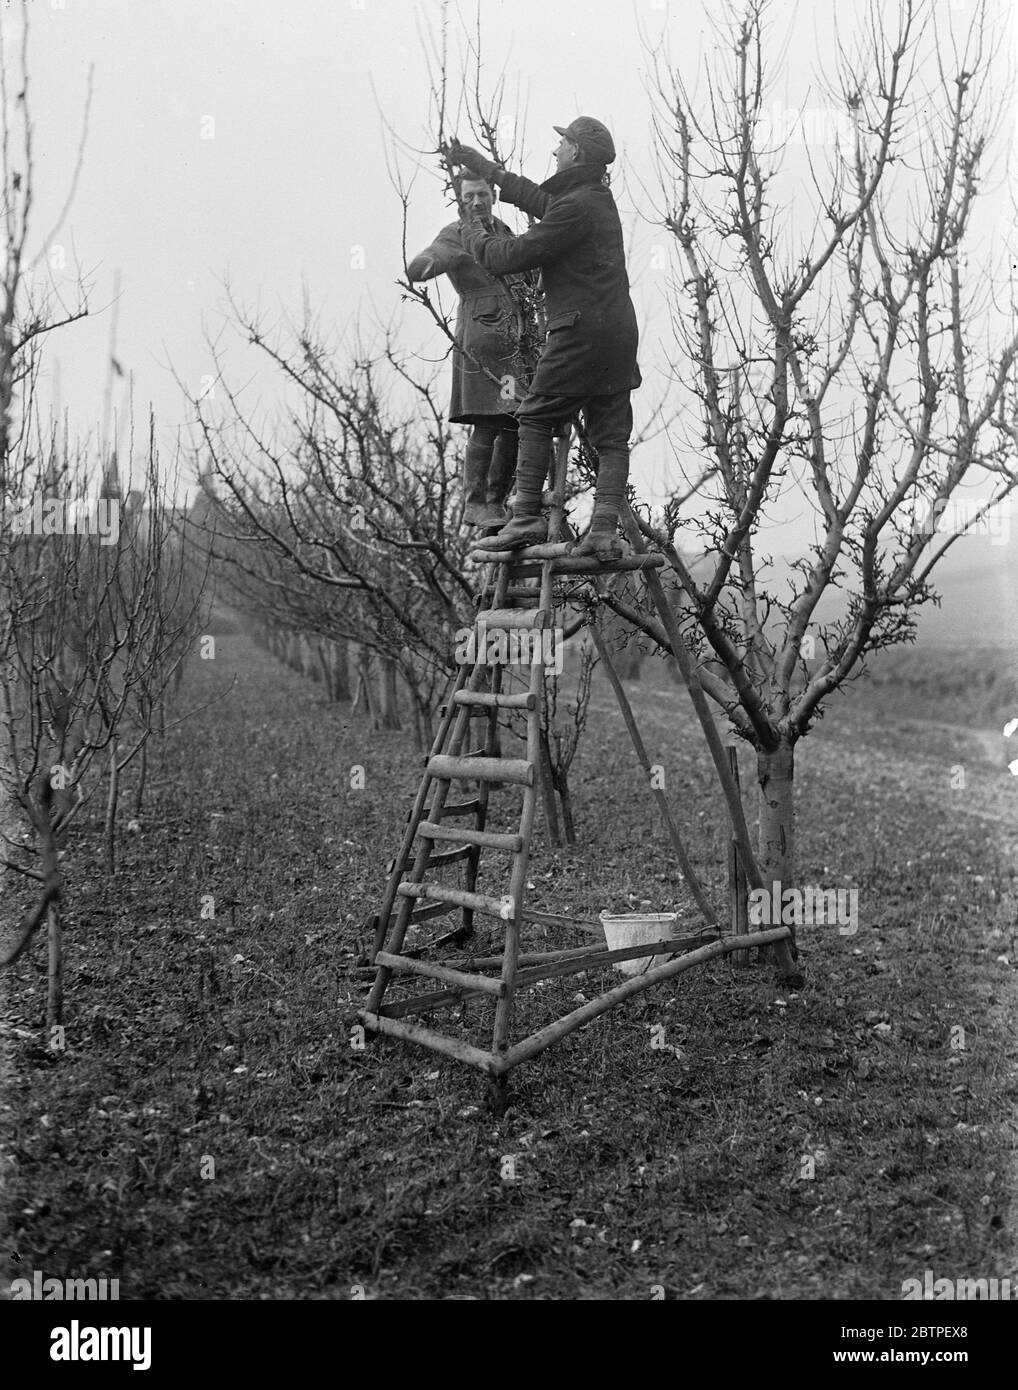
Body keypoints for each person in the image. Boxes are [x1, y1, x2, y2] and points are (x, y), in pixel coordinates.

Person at [448, 116, 641, 557]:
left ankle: (526, 517)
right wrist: (486, 167)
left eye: (562, 143)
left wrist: (472, 230)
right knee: (611, 438)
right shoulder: (593, 199)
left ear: (576, 152)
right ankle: (603, 532)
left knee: (533, 417)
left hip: (580, 333)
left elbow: (508, 255)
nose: (555, 151)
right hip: (618, 337)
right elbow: (536, 197)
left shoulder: (574, 208)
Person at [406, 172, 532, 529]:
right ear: (460, 200)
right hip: (482, 338)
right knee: (487, 421)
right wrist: (426, 264)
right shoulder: (456, 233)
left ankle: (496, 503)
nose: (476, 202)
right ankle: (476, 503)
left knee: (513, 420)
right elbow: (432, 258)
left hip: (513, 341)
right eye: (469, 196)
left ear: (493, 195)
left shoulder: (504, 232)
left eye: (482, 194)